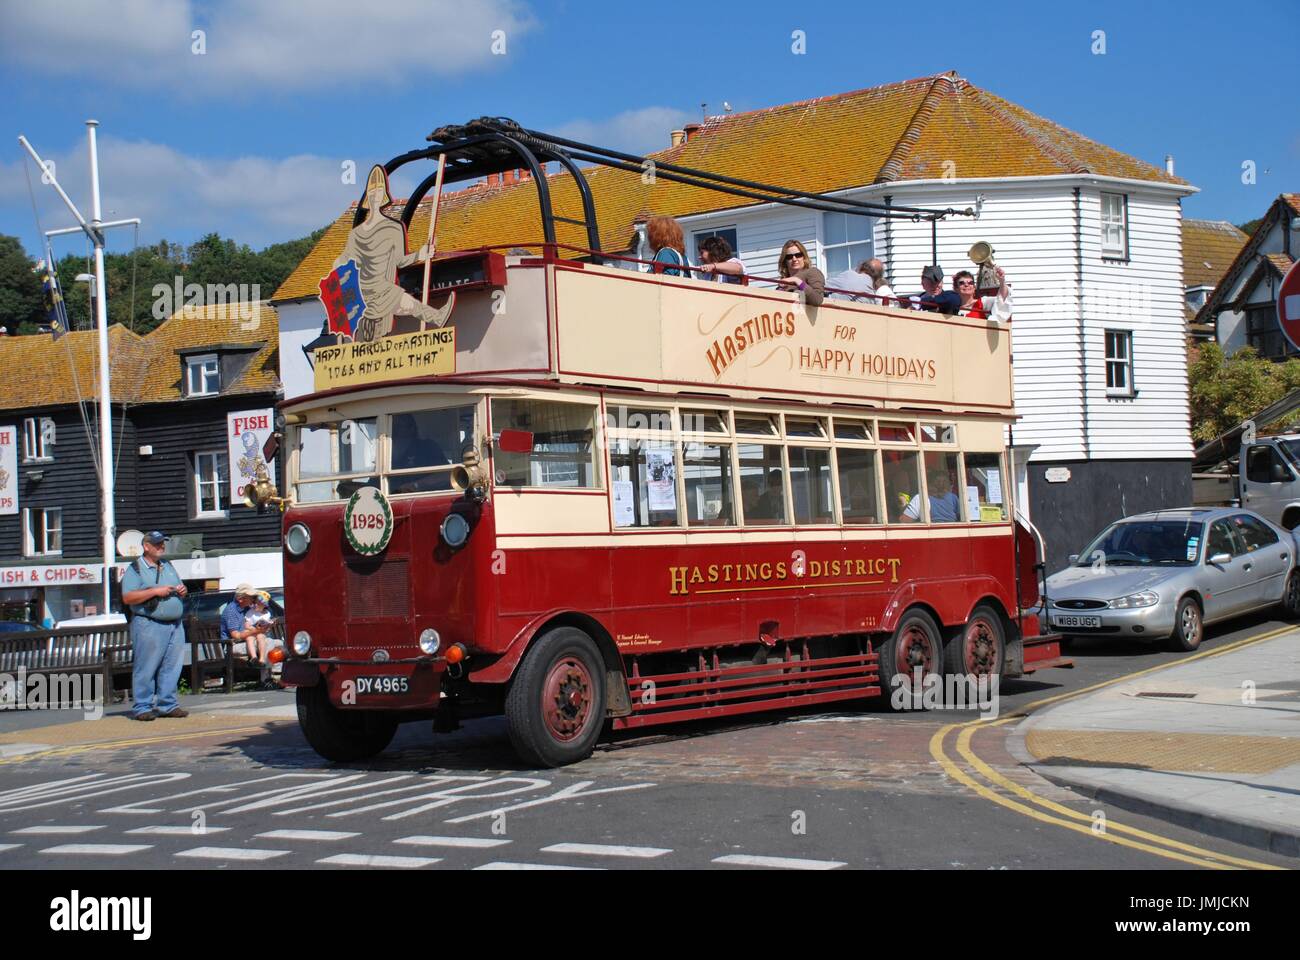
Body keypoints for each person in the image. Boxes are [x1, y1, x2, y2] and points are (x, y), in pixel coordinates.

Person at [333, 165, 454, 342]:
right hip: (363, 290)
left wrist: (419, 255)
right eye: (372, 190)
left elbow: (399, 261)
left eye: (379, 190)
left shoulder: (394, 227)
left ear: (384, 194)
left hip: (382, 286)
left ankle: (437, 317)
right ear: (368, 195)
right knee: (397, 307)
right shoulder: (356, 234)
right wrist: (336, 266)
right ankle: (437, 317)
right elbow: (345, 259)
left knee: (404, 302)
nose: (375, 195)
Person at [120, 531, 189, 720]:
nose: (161, 547)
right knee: (147, 666)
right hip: (149, 623)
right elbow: (128, 597)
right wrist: (155, 591)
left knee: (172, 666)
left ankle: (168, 704)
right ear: (146, 546)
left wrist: (182, 590)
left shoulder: (168, 565)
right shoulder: (135, 569)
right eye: (157, 544)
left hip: (174, 624)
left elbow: (180, 586)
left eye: (162, 544)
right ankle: (142, 707)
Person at [223, 583, 278, 689]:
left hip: (248, 640)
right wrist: (257, 631)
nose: (253, 599)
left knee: (277, 642)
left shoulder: (246, 608)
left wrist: (265, 627)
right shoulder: (231, 611)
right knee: (269, 642)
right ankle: (265, 680)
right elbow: (236, 636)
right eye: (251, 597)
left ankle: (269, 676)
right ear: (240, 599)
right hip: (232, 645)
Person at [776, 240, 825, 306]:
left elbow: (817, 300)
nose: (794, 259)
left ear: (804, 257)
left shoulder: (812, 272)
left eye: (798, 255)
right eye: (789, 257)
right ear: (785, 261)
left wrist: (797, 281)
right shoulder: (783, 283)